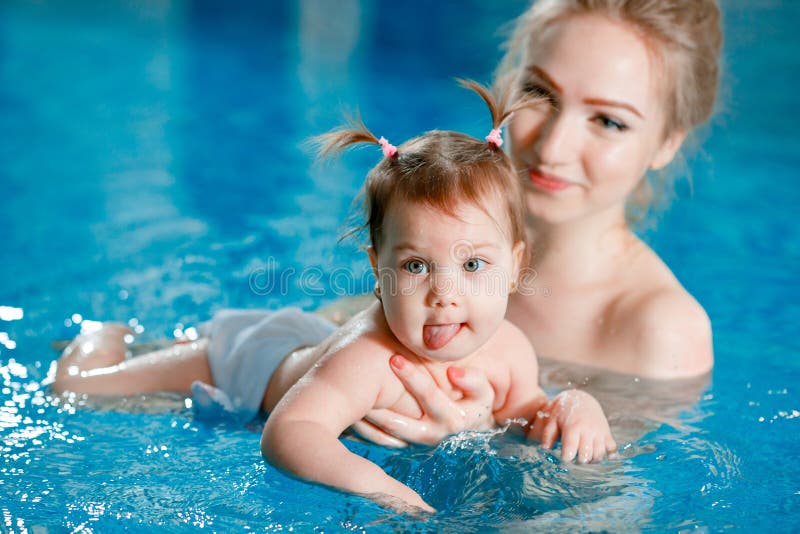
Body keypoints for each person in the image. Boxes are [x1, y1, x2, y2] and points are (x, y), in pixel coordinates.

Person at [51, 81, 617, 512]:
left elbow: (525, 414)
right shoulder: (367, 359)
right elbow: (290, 433)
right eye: (416, 265)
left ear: (515, 266)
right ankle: (100, 338)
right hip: (247, 361)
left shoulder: (511, 349)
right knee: (80, 389)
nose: (444, 294)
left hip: (308, 346)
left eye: (473, 264)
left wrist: (573, 406)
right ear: (378, 269)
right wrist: (387, 490)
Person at [341, 0, 723, 447]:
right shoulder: (435, 246)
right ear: (509, 83)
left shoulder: (660, 330)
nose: (553, 147)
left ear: (667, 143)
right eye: (540, 95)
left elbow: (593, 505)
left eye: (608, 121)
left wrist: (482, 439)